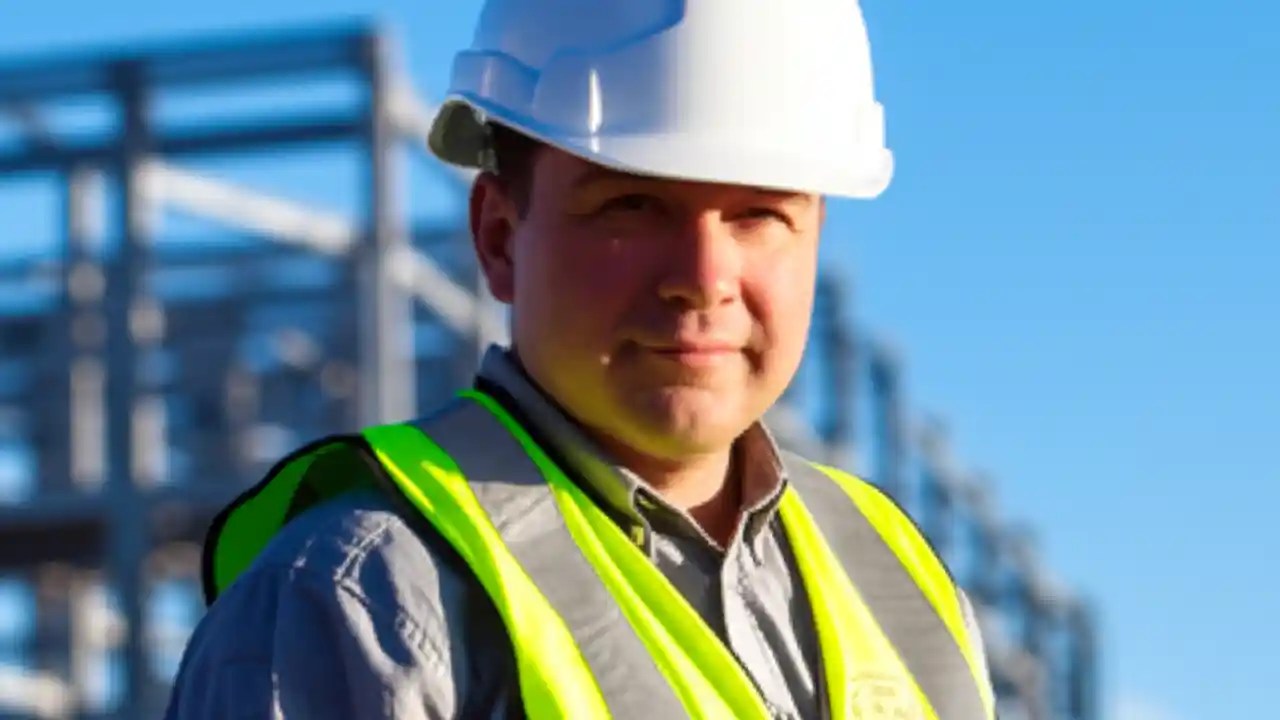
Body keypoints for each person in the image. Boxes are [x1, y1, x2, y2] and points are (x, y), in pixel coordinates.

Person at [165, 1, 996, 718]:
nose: (703, 278)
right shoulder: (360, 599)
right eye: (632, 204)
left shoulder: (901, 581)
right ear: (499, 237)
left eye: (758, 214)